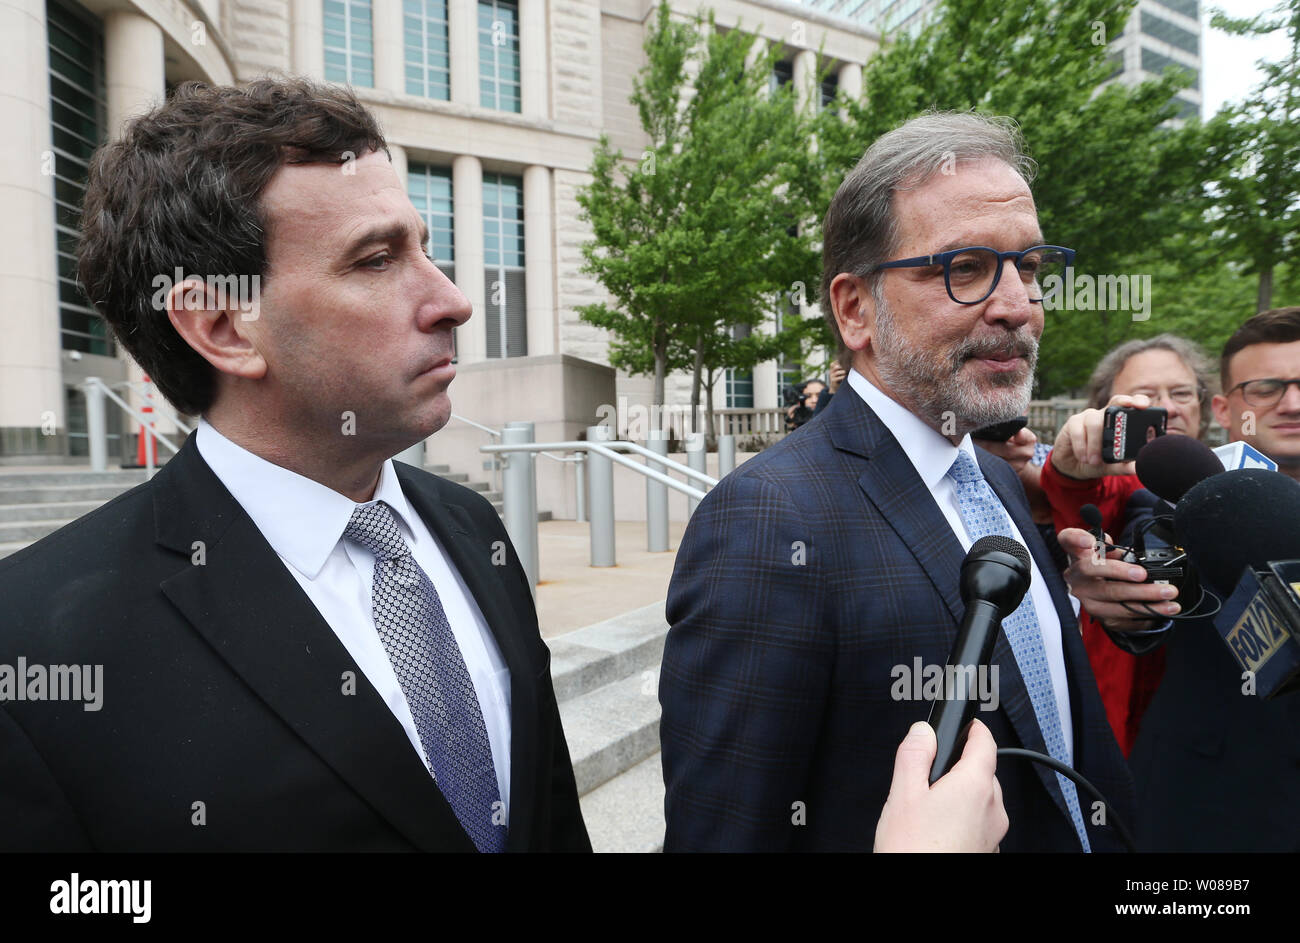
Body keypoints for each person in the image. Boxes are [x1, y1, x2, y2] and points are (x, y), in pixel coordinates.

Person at [0, 79, 589, 852]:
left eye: (425, 247)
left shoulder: (472, 527)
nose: (451, 300)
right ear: (223, 327)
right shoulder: (33, 644)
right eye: (377, 260)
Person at [659, 112, 1134, 852]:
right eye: (966, 268)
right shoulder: (765, 520)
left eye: (1030, 267)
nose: (1016, 306)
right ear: (855, 309)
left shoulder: (1000, 486)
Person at [1062, 307, 1300, 851]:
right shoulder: (1171, 507)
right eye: (1266, 387)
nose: (1292, 403)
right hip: (1208, 812)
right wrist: (1127, 603)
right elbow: (1143, 582)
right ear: (1225, 406)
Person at [1037, 335, 1214, 755]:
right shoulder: (1115, 487)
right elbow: (1078, 493)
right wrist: (1071, 464)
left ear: (1205, 407)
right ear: (1108, 413)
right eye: (1146, 397)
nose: (1168, 407)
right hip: (1122, 740)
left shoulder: (1243, 482)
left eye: (1181, 393)